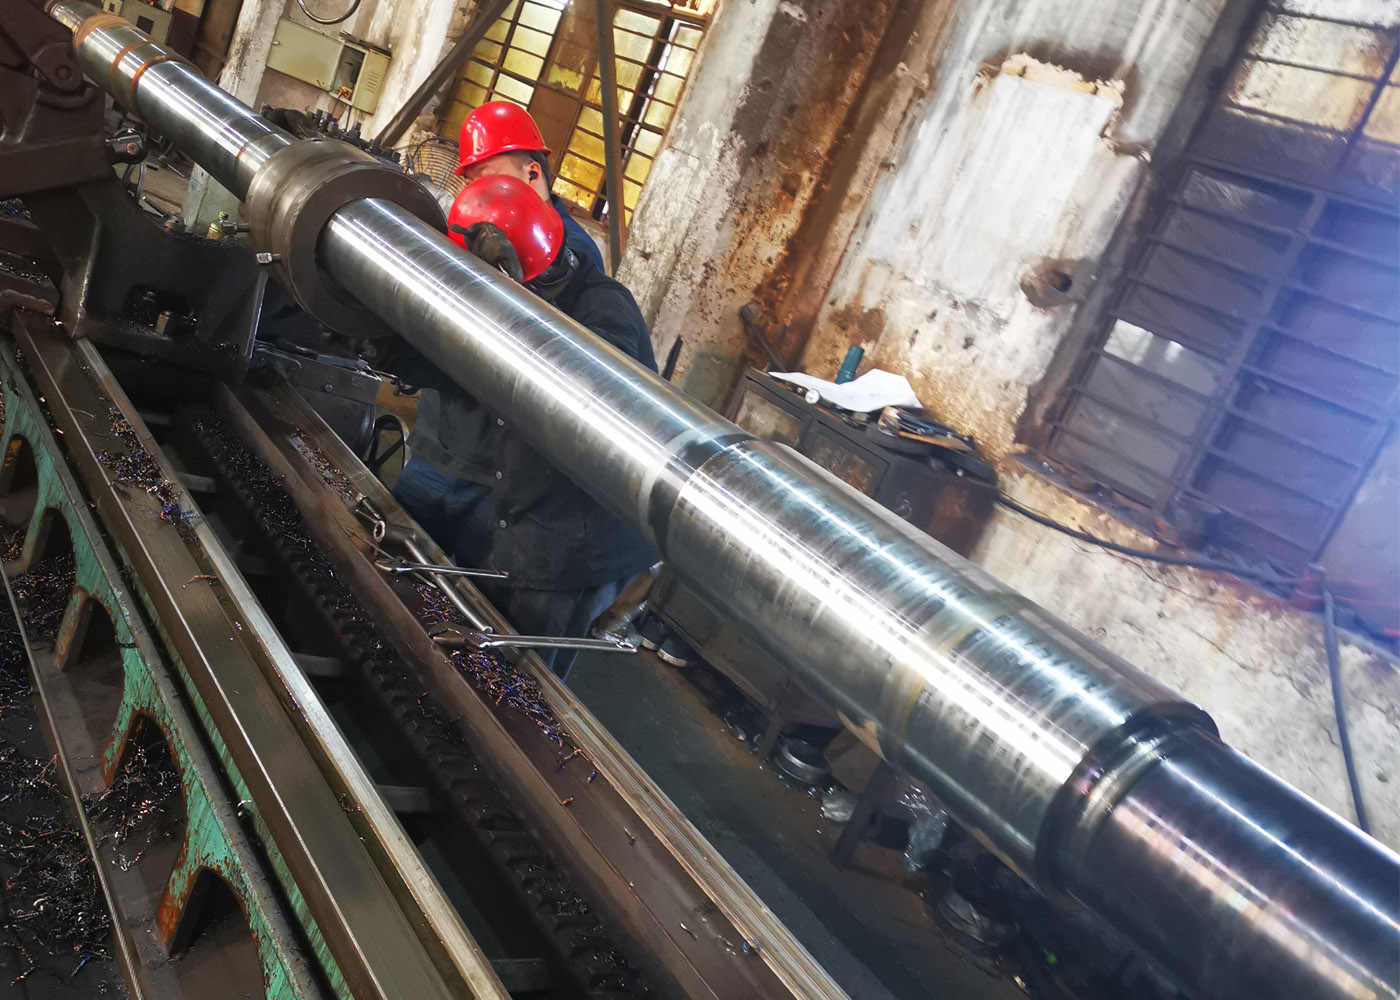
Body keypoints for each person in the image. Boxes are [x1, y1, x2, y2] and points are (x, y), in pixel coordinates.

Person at [391, 101, 602, 565]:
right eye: (471, 180)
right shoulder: (472, 231)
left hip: (493, 474)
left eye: (488, 176)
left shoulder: (571, 255)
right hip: (438, 445)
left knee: (456, 595)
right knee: (388, 562)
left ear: (532, 173)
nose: (476, 192)